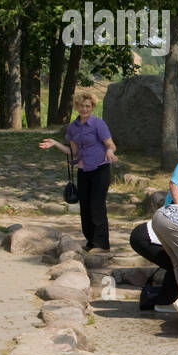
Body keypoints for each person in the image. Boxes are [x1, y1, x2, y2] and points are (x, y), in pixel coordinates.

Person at [38, 90, 118, 251]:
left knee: (97, 206)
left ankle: (101, 244)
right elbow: (73, 152)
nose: (84, 109)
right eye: (81, 106)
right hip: (83, 170)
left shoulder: (98, 124)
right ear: (76, 106)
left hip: (100, 168)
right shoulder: (73, 127)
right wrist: (55, 143)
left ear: (92, 107)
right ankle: (90, 241)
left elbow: (111, 145)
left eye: (88, 106)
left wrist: (110, 151)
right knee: (85, 208)